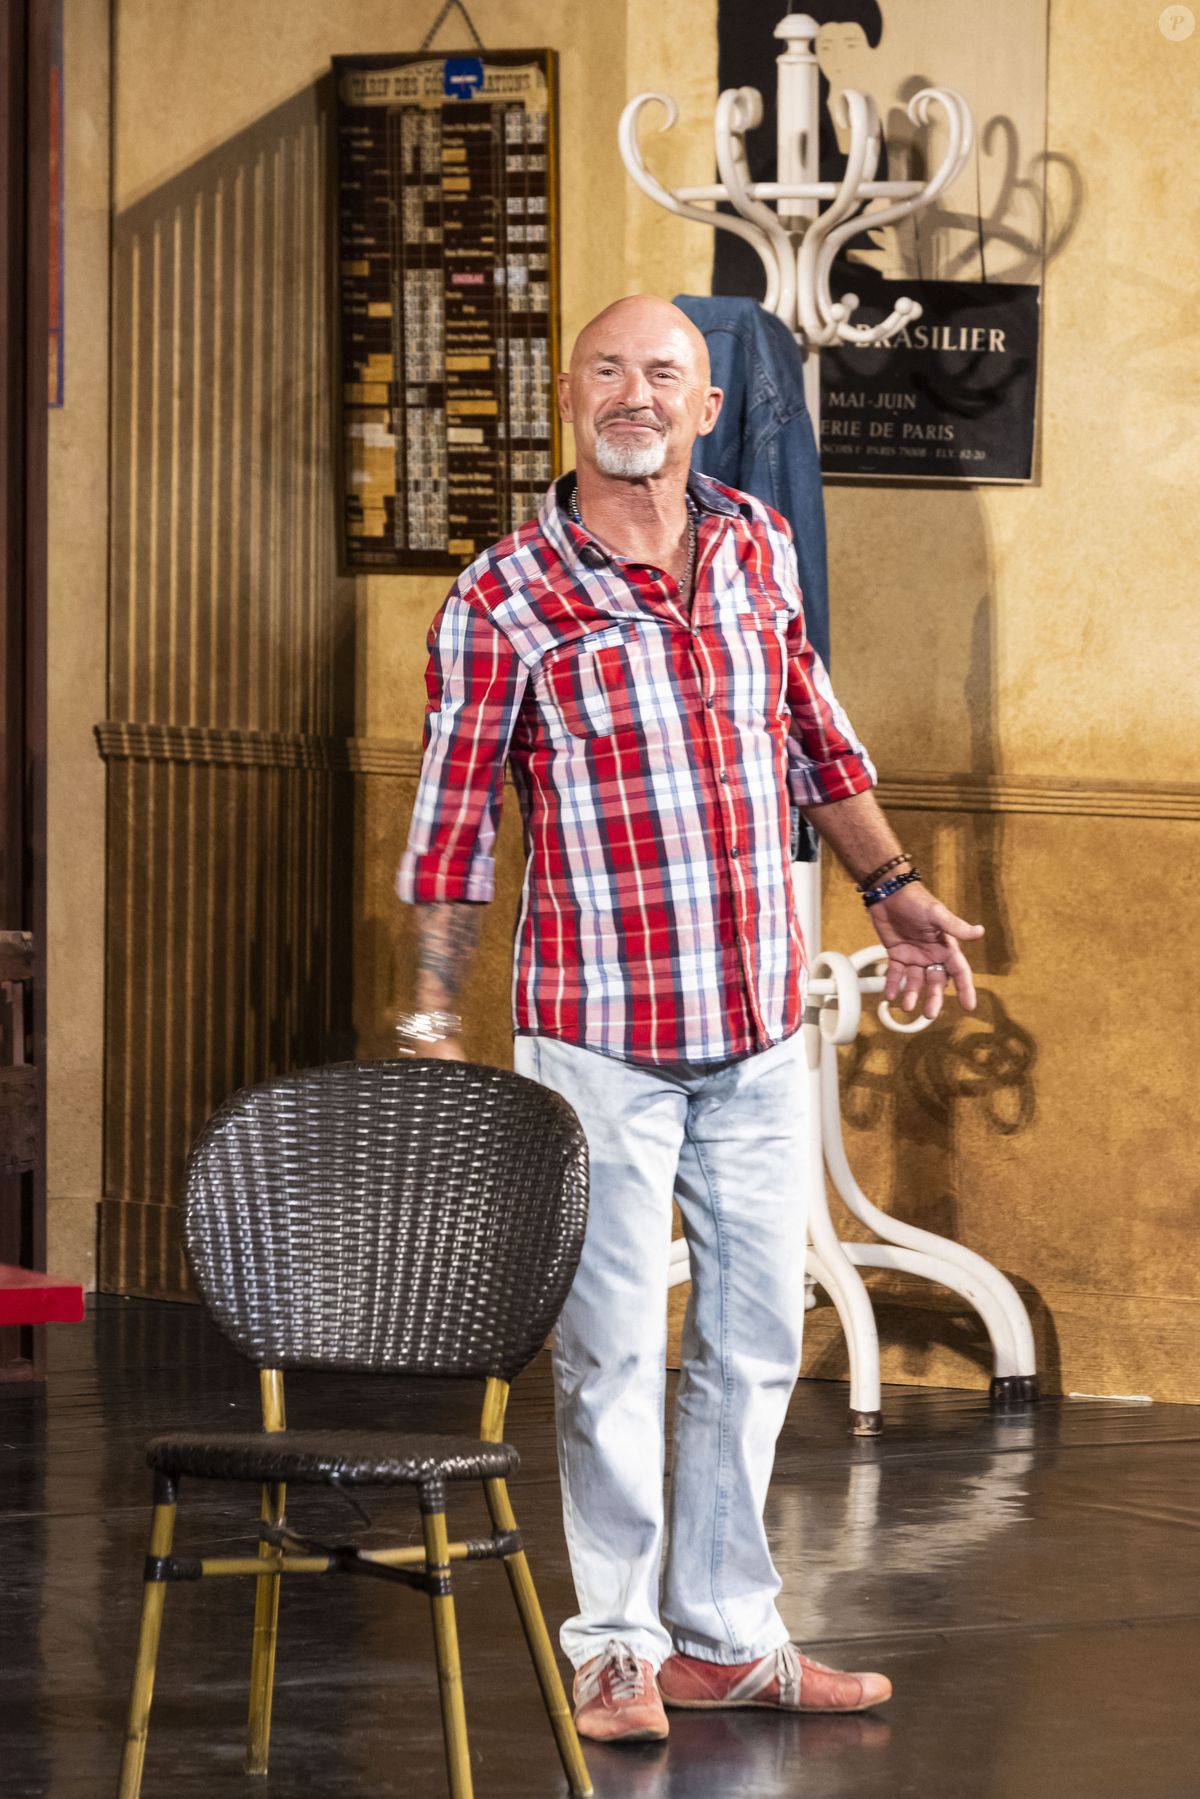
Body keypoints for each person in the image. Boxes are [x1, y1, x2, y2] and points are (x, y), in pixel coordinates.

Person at [395, 295, 983, 1744]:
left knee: (756, 1335)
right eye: (608, 370)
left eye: (664, 372)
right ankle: (613, 1646)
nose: (634, 393)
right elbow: (454, 820)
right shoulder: (505, 593)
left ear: (709, 409)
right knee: (608, 1350)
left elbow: (815, 737)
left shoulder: (756, 549)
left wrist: (893, 885)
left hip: (757, 1019)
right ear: (570, 400)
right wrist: (428, 1002)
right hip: (595, 1032)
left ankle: (726, 1636)